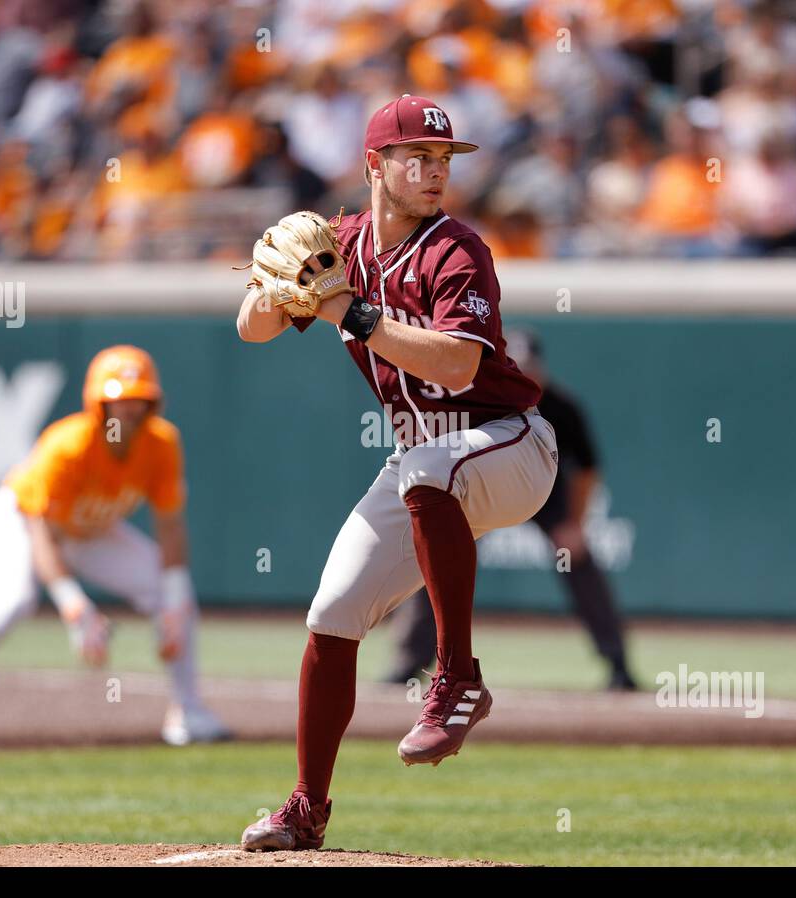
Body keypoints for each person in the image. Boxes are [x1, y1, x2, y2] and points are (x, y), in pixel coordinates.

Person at [234, 94, 558, 851]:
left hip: (509, 442)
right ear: (375, 165)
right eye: (418, 156)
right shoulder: (339, 244)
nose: (435, 170)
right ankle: (306, 808)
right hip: (426, 462)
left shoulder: (457, 249)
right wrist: (275, 289)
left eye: (443, 159)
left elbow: (457, 361)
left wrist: (350, 312)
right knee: (333, 612)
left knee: (425, 470)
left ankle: (457, 678)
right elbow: (250, 331)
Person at [0, 345, 228, 748]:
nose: (130, 411)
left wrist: (172, 604)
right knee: (13, 601)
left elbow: (170, 525)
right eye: (120, 401)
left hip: (87, 530)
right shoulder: (68, 444)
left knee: (175, 590)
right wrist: (74, 606)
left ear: (153, 403)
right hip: (19, 518)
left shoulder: (161, 443)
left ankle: (188, 712)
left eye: (139, 401)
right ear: (97, 404)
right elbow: (41, 531)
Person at [384, 328, 637, 692]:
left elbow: (586, 470)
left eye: (532, 367)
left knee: (576, 555)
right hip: (480, 489)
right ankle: (409, 661)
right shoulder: (478, 398)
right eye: (519, 367)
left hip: (542, 490)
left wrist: (573, 523)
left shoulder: (561, 407)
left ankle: (618, 664)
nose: (527, 375)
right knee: (438, 556)